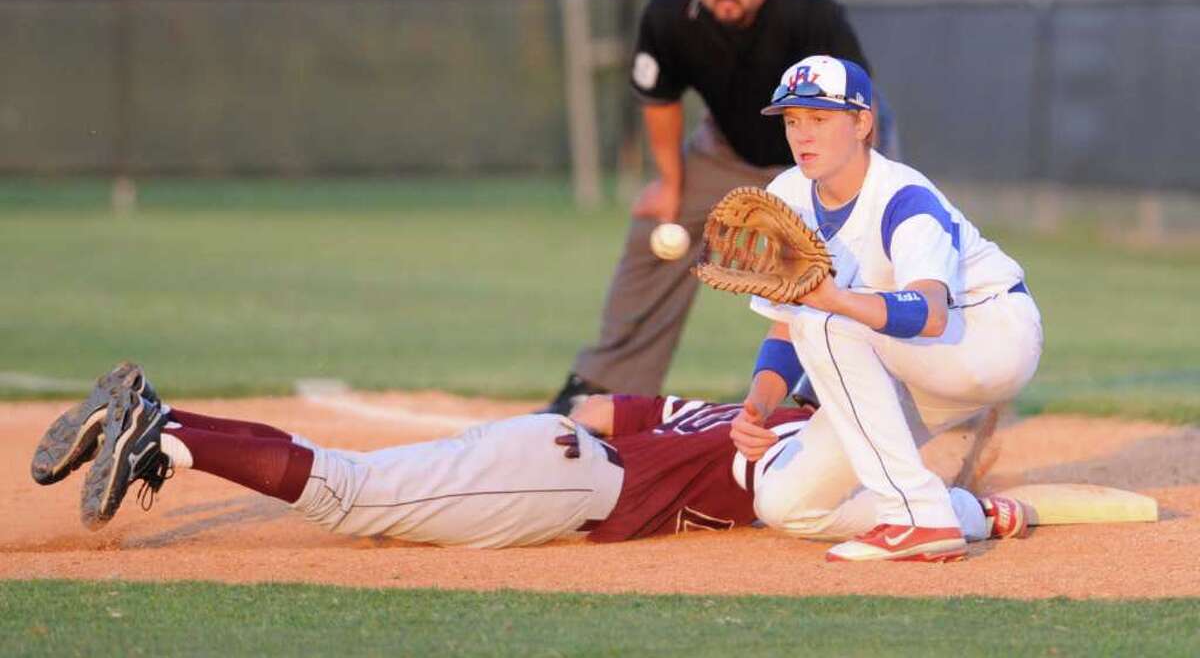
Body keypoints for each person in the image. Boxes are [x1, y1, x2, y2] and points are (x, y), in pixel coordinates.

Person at [31, 362, 1026, 549]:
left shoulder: (731, 407)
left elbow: (592, 400)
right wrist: (979, 504)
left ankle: (161, 420)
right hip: (571, 485)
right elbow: (832, 493)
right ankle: (164, 433)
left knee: (362, 487)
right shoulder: (808, 445)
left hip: (551, 446)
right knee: (354, 493)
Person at [544, 0, 898, 414]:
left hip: (833, 149)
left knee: (865, 256)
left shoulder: (808, 9)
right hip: (728, 153)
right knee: (656, 229)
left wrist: (853, 195)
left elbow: (858, 106)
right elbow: (660, 98)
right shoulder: (670, 15)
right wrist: (670, 182)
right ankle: (604, 386)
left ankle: (864, 392)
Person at [730, 55, 1043, 562]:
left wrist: (833, 300)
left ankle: (916, 518)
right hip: (906, 360)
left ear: (862, 122)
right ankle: (963, 513)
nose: (802, 135)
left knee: (827, 320)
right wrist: (760, 404)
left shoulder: (902, 196)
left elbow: (931, 311)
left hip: (987, 335)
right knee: (787, 503)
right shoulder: (785, 196)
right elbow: (788, 327)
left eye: (819, 119)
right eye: (792, 121)